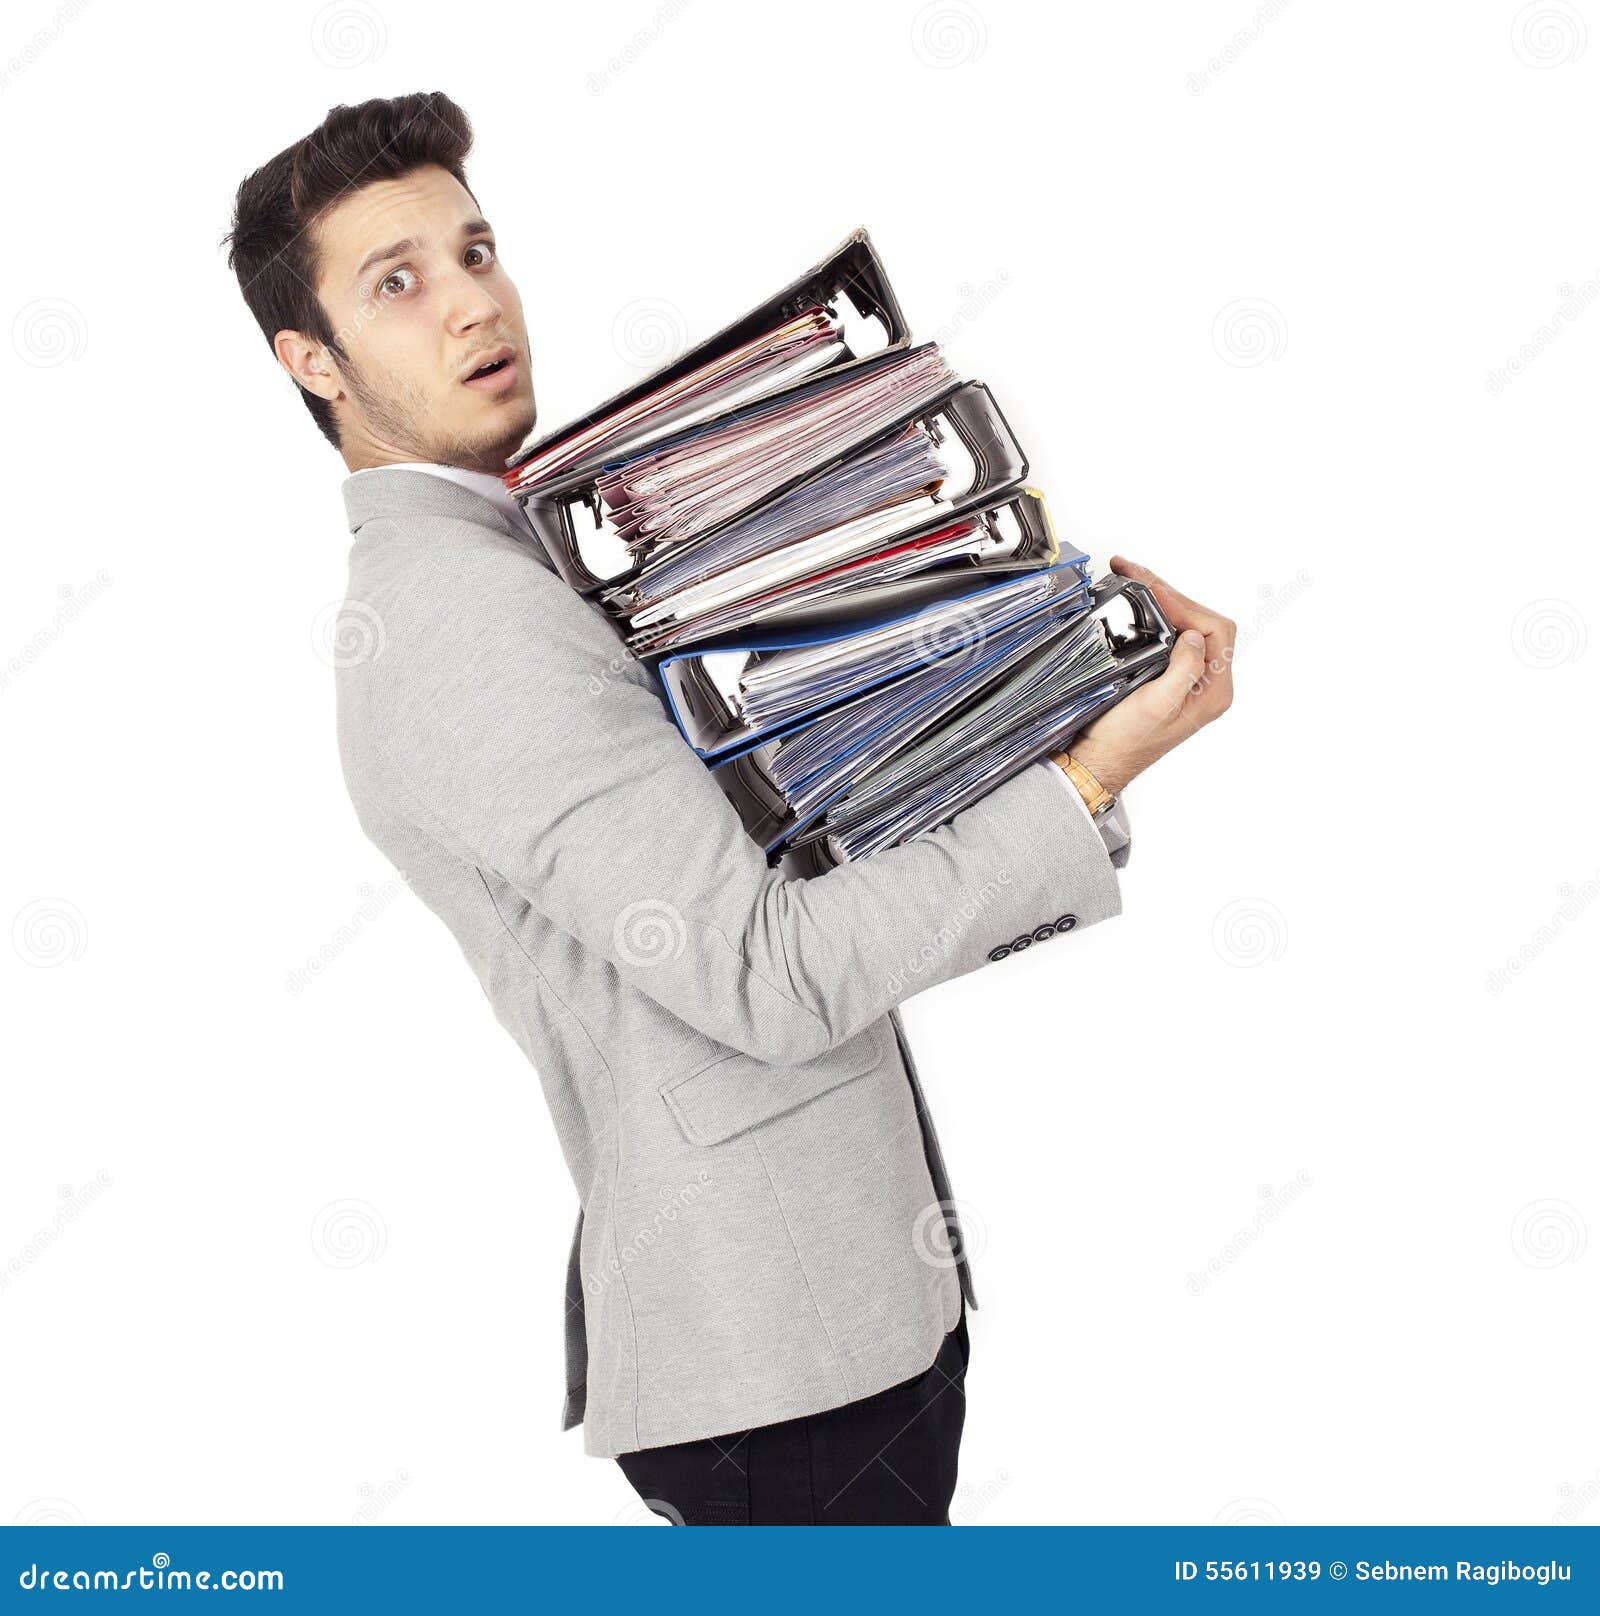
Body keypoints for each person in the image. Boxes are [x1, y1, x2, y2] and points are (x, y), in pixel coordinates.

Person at [226, 91, 1234, 1526]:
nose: (471, 302)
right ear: (310, 360)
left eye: (476, 249)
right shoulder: (460, 625)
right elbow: (763, 973)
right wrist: (1088, 781)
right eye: (398, 282)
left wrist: (1044, 694)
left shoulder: (524, 552)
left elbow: (786, 834)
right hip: (782, 1372)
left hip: (822, 1330)